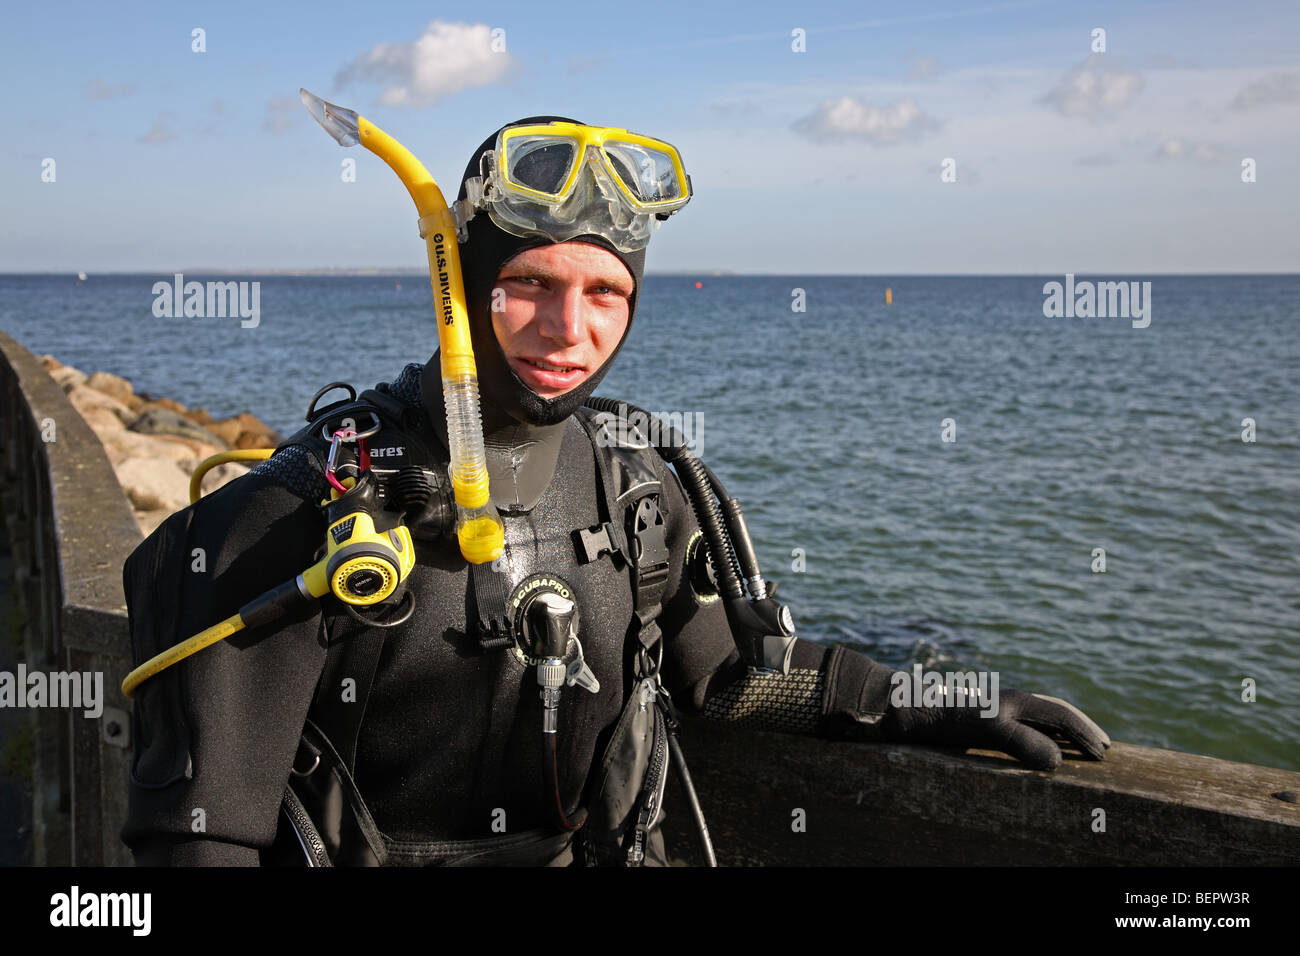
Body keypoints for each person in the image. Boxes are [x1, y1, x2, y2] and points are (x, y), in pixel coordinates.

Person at [121, 116, 1109, 867]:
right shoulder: (303, 509)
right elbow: (206, 832)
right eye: (531, 285)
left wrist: (921, 696)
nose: (569, 329)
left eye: (605, 293)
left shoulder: (636, 484)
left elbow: (728, 674)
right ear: (460, 284)